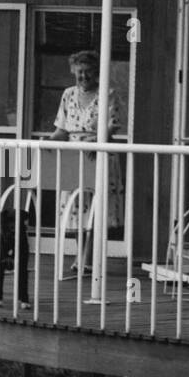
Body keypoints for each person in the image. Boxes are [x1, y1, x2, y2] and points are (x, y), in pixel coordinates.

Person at [47, 49, 125, 274]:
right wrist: (48, 143)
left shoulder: (108, 94)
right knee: (76, 209)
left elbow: (112, 126)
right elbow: (61, 129)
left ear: (96, 73)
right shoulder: (68, 94)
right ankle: (80, 256)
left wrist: (97, 142)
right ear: (74, 72)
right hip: (74, 156)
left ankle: (89, 259)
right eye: (80, 72)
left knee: (95, 209)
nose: (84, 77)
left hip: (96, 154)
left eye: (89, 72)